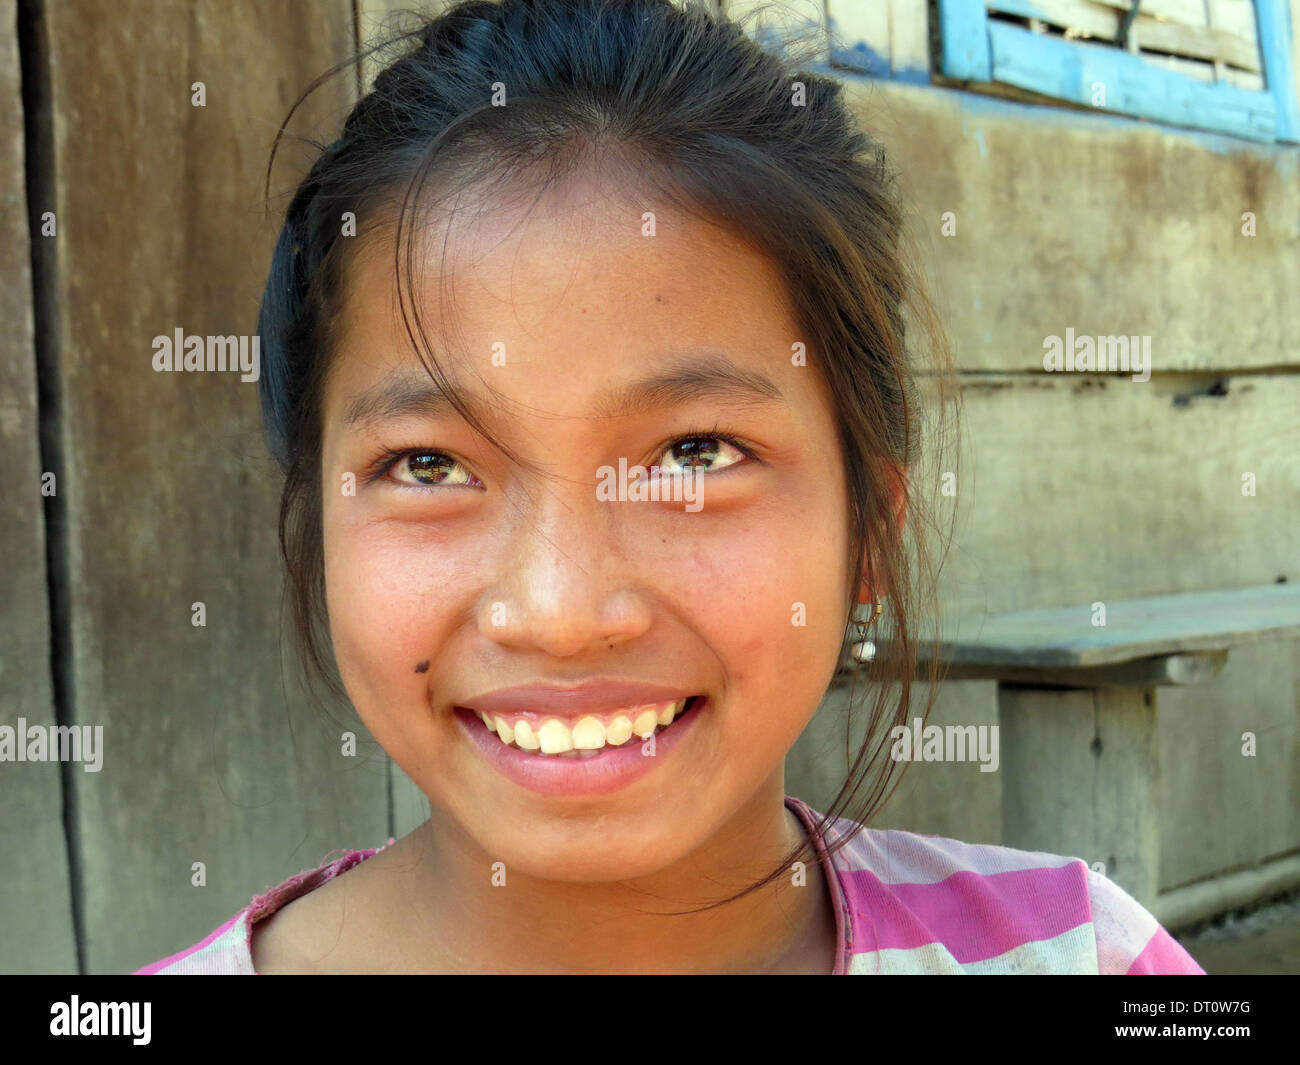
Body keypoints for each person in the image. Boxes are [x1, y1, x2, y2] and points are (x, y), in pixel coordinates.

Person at [136, 0, 1203, 975]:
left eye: (695, 454)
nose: (560, 613)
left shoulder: (1084, 957)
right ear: (319, 532)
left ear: (869, 534)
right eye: (429, 465)